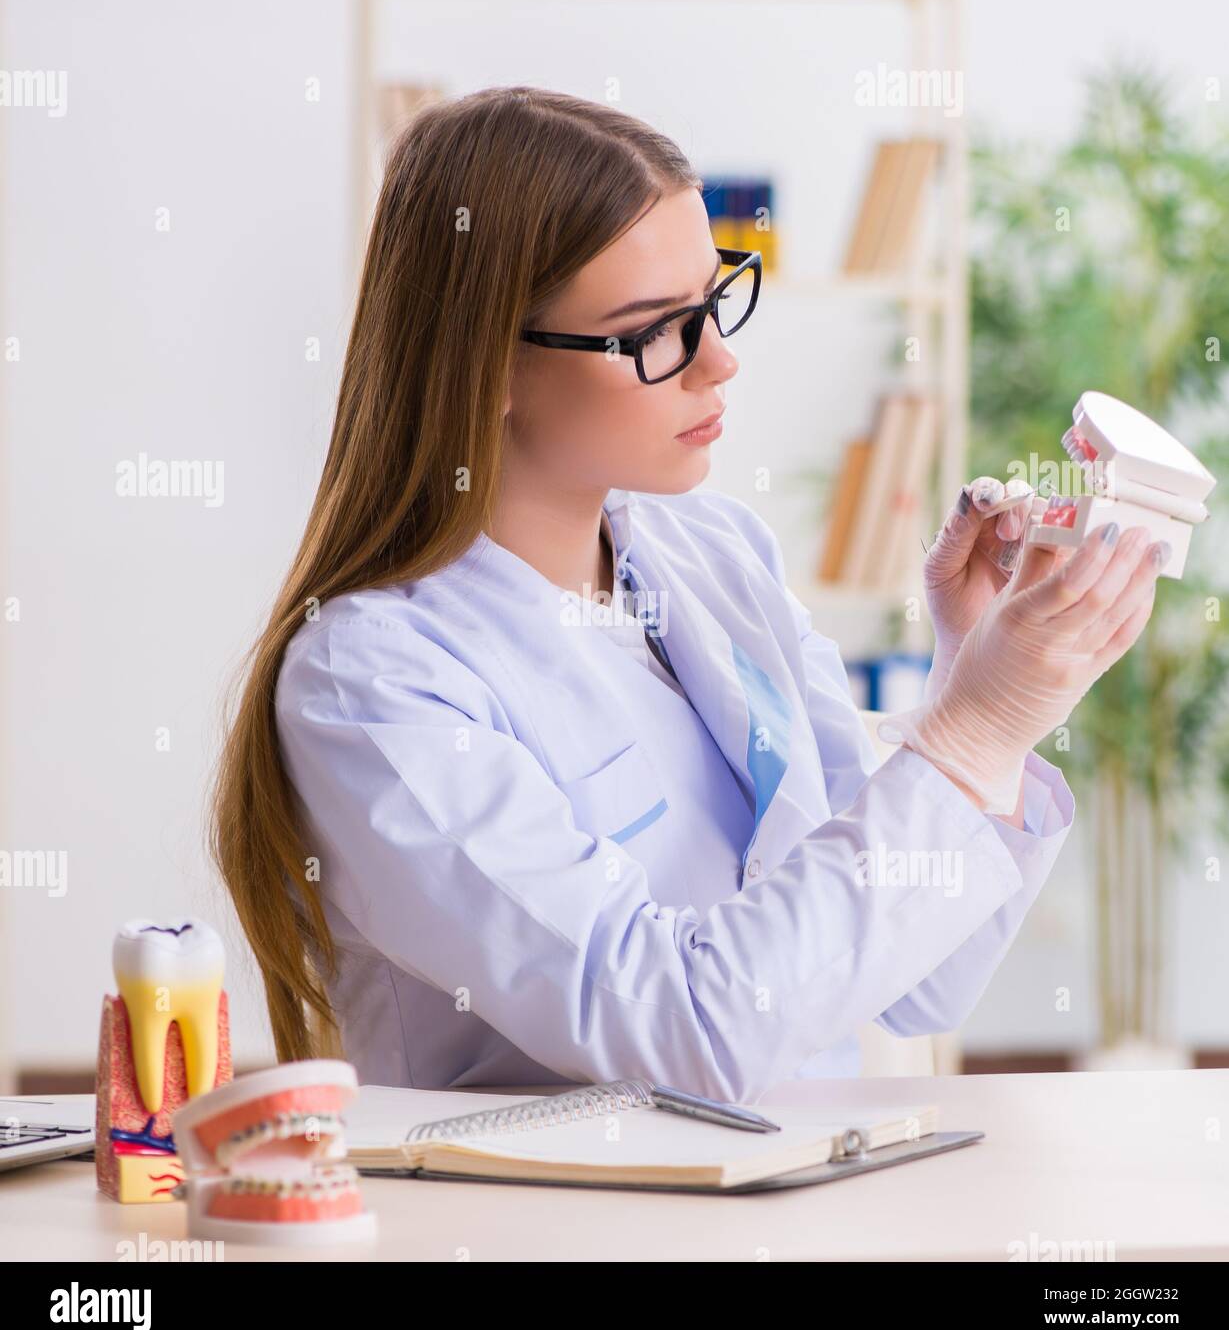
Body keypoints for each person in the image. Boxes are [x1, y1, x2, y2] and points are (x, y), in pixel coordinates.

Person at [211, 87, 1164, 1103]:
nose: (718, 360)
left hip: (794, 1189)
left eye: (712, 301)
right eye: (653, 332)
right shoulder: (370, 681)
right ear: (486, 361)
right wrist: (971, 735)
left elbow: (921, 979)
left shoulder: (714, 554)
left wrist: (973, 697)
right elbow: (683, 1033)